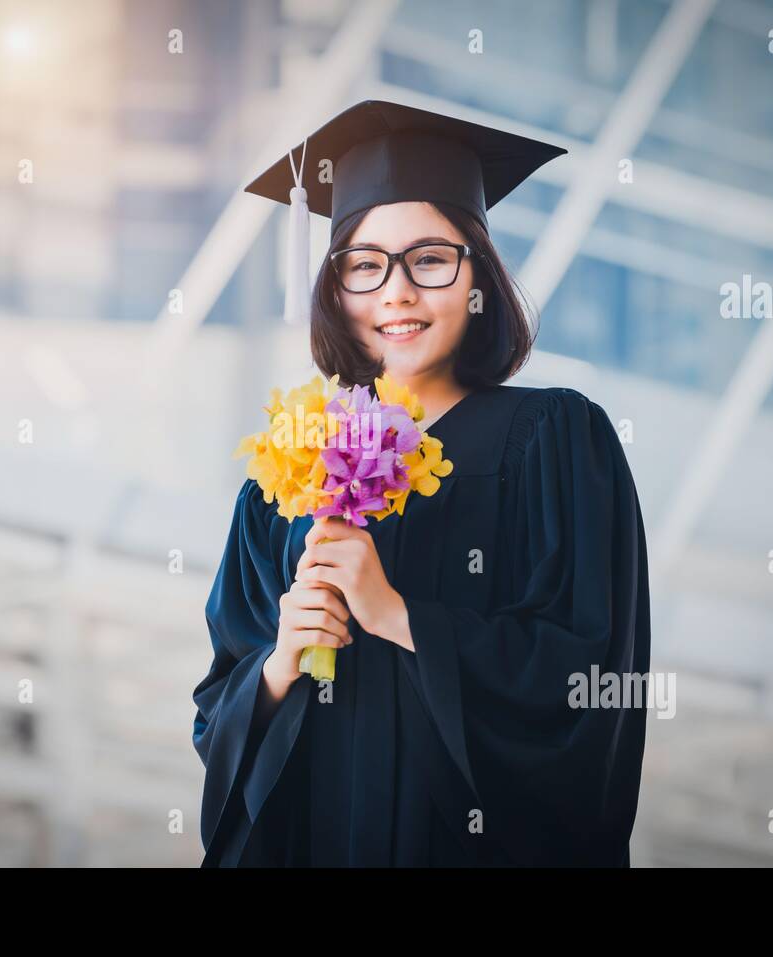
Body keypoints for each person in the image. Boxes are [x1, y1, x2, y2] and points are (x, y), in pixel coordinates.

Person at [192, 100, 651, 866]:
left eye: (430, 259)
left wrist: (400, 615)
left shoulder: (557, 443)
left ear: (479, 271)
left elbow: (591, 687)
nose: (396, 293)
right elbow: (217, 716)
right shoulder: (287, 473)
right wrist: (279, 664)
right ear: (335, 288)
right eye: (364, 264)